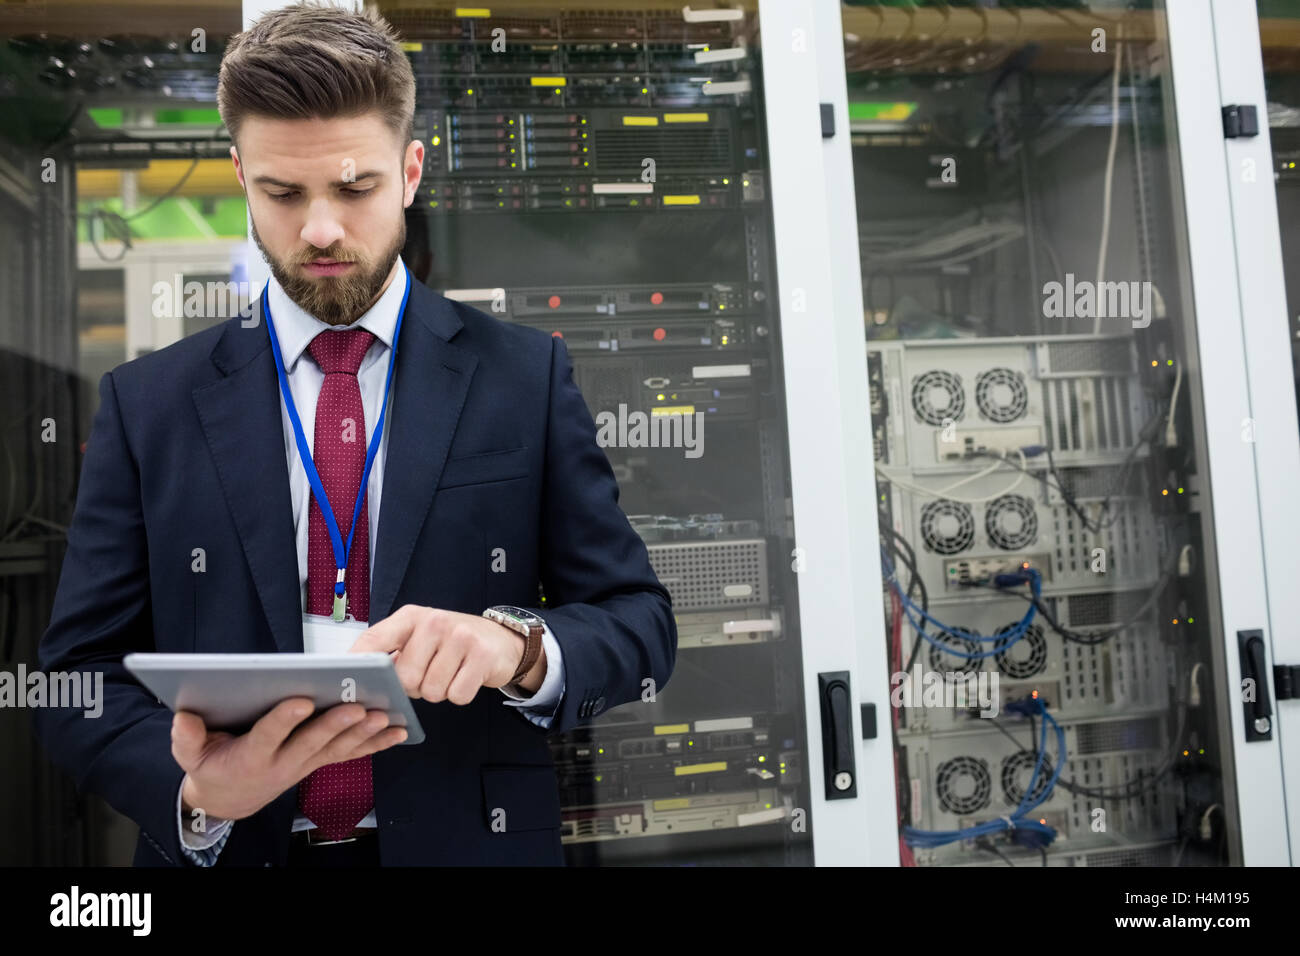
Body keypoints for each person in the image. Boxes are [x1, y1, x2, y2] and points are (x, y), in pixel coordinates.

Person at [32, 1, 676, 867]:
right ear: (239, 176)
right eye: (283, 193)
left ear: (411, 171)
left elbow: (640, 625)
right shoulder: (149, 404)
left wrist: (517, 648)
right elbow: (75, 678)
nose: (321, 229)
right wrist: (196, 793)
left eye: (355, 187)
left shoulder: (523, 377)